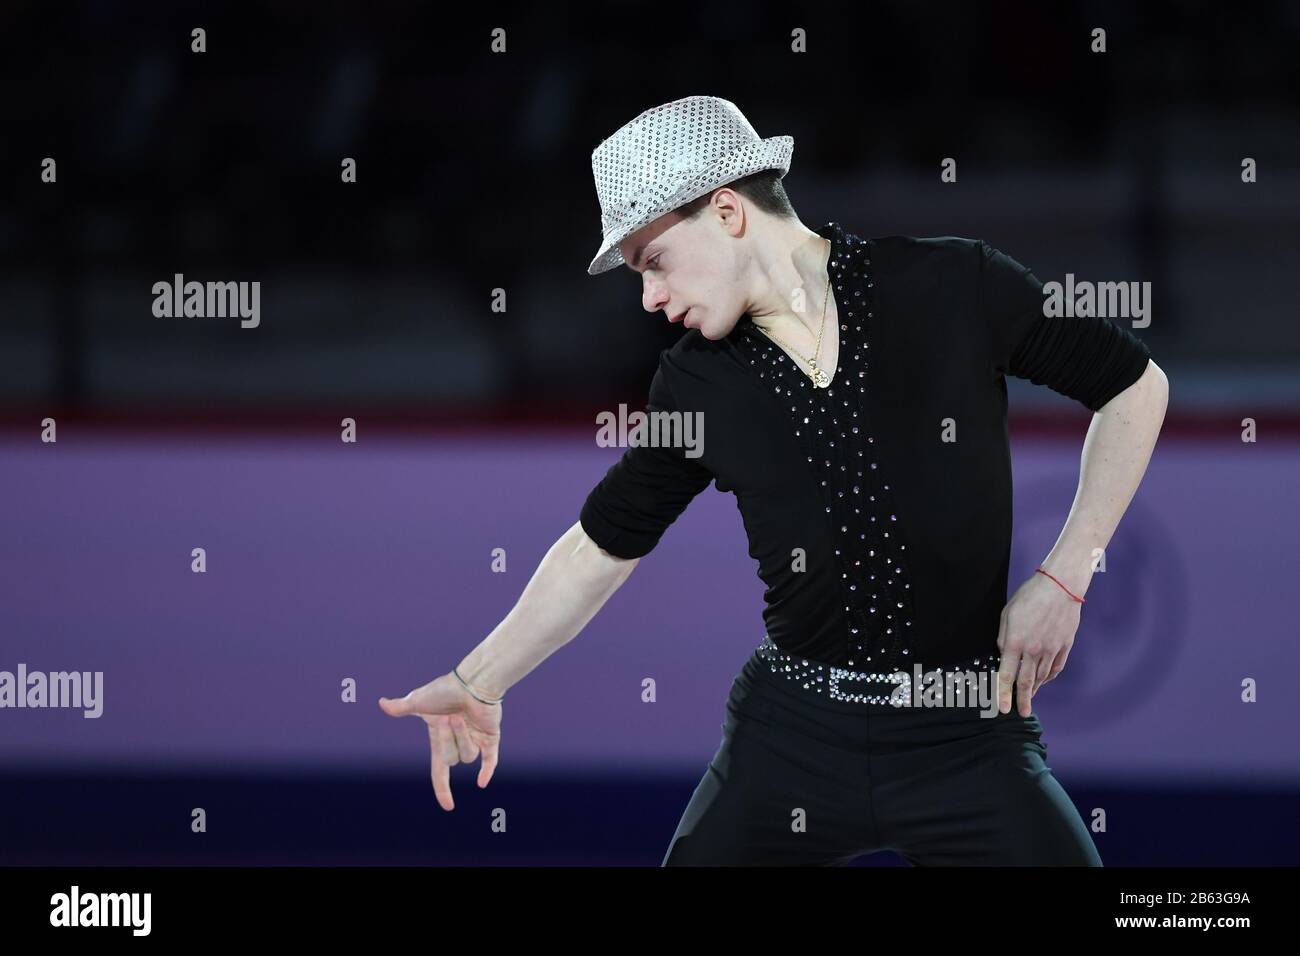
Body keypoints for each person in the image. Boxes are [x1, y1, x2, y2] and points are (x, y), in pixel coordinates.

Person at [379, 95, 1169, 866]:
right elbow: (602, 546)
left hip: (964, 730)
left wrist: (1065, 577)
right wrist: (477, 680)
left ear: (727, 212)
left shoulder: (952, 283)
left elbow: (1135, 387)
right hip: (792, 740)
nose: (650, 297)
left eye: (652, 262)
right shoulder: (696, 383)